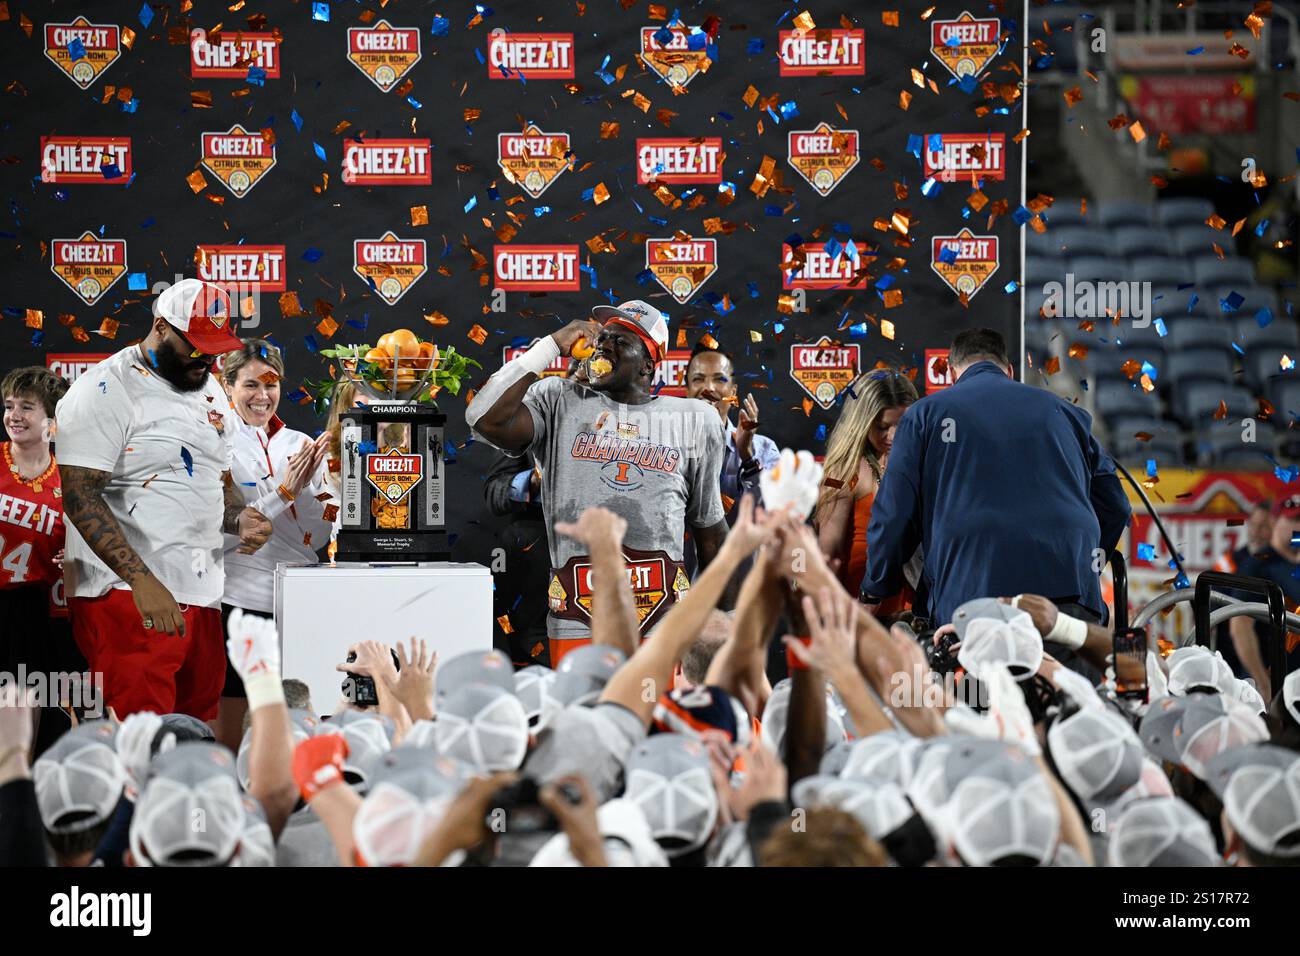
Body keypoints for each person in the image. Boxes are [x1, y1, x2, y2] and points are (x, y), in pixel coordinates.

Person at [55, 278, 274, 722]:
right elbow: (80, 496)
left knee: (194, 737)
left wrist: (239, 518)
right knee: (138, 738)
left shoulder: (210, 388)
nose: (206, 359)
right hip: (126, 595)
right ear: (160, 327)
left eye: (215, 348)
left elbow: (218, 477)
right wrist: (141, 581)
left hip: (202, 591)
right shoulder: (104, 389)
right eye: (194, 346)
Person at [465, 299, 728, 666]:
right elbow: (482, 417)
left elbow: (711, 533)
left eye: (622, 341)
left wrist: (722, 622)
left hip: (662, 619)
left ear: (649, 364)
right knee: (582, 720)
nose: (604, 344)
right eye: (603, 337)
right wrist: (550, 346)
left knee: (659, 719)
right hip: (578, 616)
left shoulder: (694, 420)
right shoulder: (558, 400)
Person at [861, 328, 1131, 651]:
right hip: (1068, 598)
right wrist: (1084, 560)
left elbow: (894, 516)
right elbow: (1116, 506)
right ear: (1010, 370)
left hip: (969, 597)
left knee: (977, 699)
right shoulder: (1068, 413)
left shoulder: (924, 415)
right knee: (1073, 697)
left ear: (949, 372)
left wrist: (875, 589)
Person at [215, 340, 332, 752]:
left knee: (297, 713)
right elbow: (226, 529)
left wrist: (307, 494)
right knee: (233, 719)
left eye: (271, 384)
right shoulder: (214, 442)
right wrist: (286, 490)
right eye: (250, 385)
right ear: (226, 384)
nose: (262, 396)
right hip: (237, 597)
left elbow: (316, 539)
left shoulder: (300, 444)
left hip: (298, 601)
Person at [814, 369, 919, 619]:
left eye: (902, 425)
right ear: (861, 422)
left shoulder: (923, 463)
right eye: (883, 427)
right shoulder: (843, 470)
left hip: (918, 614)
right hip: (861, 613)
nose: (893, 436)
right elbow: (829, 553)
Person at [684, 342, 779, 514]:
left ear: (733, 393)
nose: (708, 388)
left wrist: (747, 458)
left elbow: (774, 516)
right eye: (698, 379)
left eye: (719, 379)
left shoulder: (764, 449)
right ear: (687, 391)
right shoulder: (667, 448)